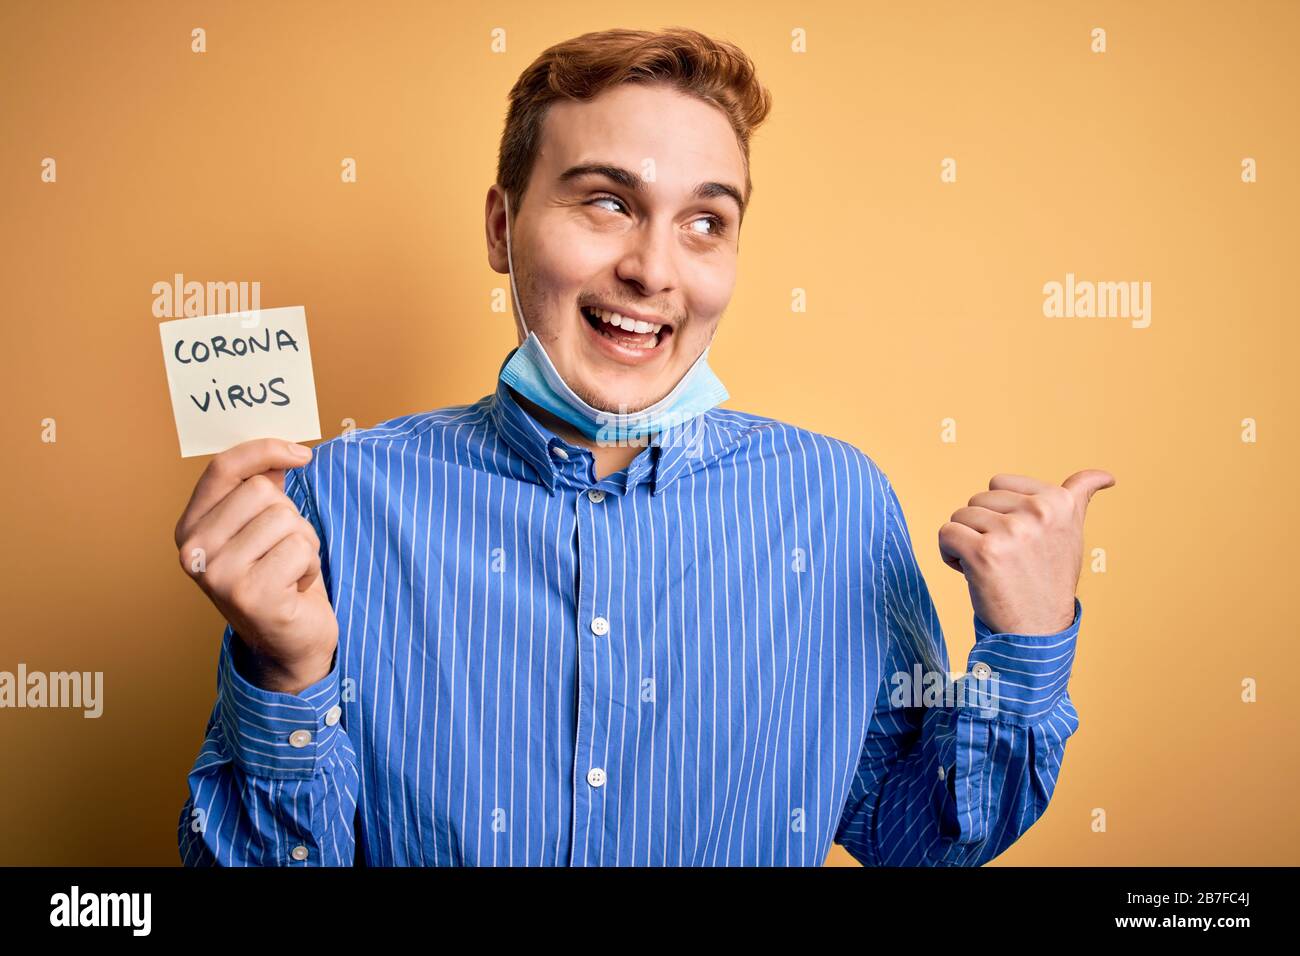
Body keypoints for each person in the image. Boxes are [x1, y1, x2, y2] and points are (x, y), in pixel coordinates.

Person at [174, 27, 1113, 866]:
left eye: (706, 222)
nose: (653, 270)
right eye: (607, 203)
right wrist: (285, 677)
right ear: (503, 228)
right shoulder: (339, 496)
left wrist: (1025, 646)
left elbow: (916, 839)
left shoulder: (834, 504)